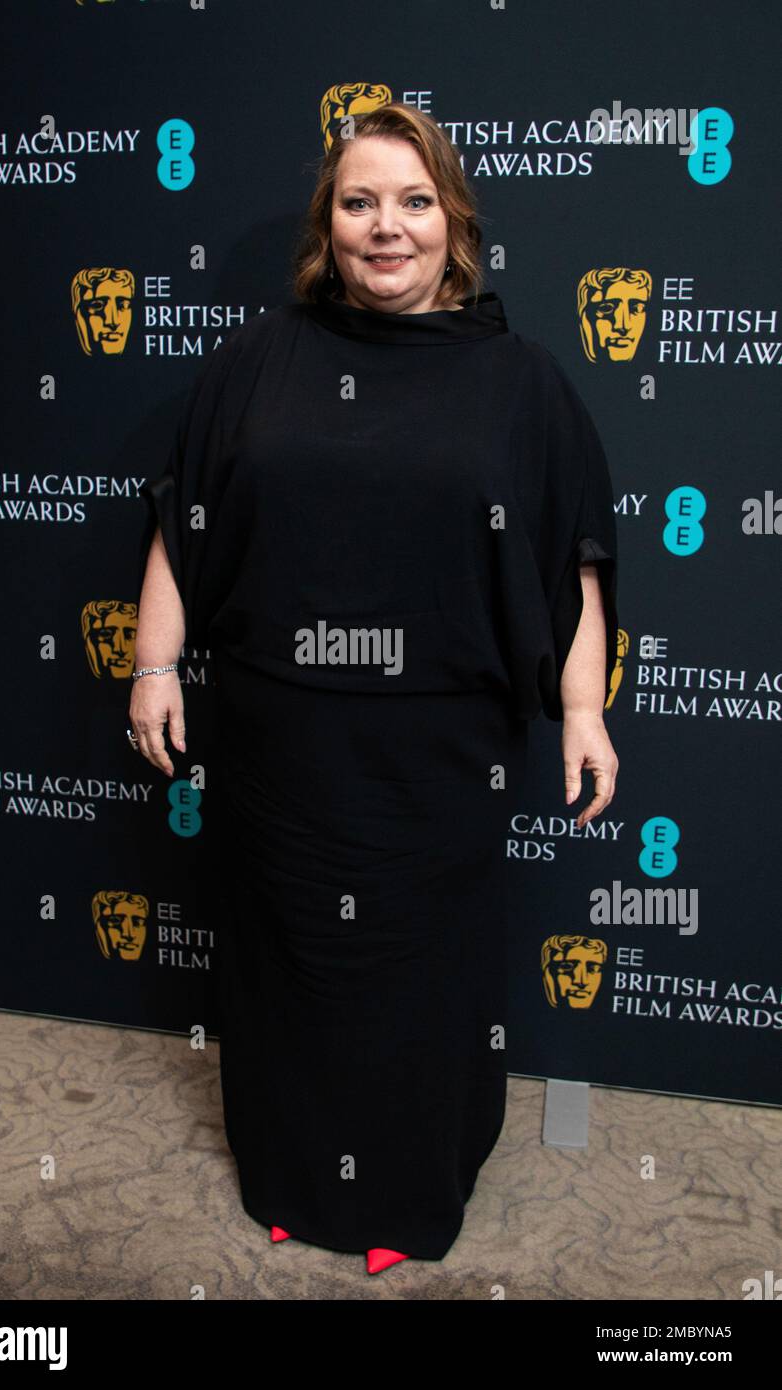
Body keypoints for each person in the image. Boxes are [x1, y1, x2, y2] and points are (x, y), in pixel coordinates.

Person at [130, 102, 619, 1275]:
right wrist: (154, 663)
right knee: (292, 965)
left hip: (433, 752)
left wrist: (584, 709)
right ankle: (298, 1177)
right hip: (280, 740)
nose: (384, 226)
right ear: (327, 225)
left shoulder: (520, 380)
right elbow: (180, 525)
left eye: (412, 202)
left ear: (452, 225)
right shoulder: (255, 361)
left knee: (414, 980)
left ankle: (401, 1194)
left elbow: (575, 563)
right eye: (358, 203)